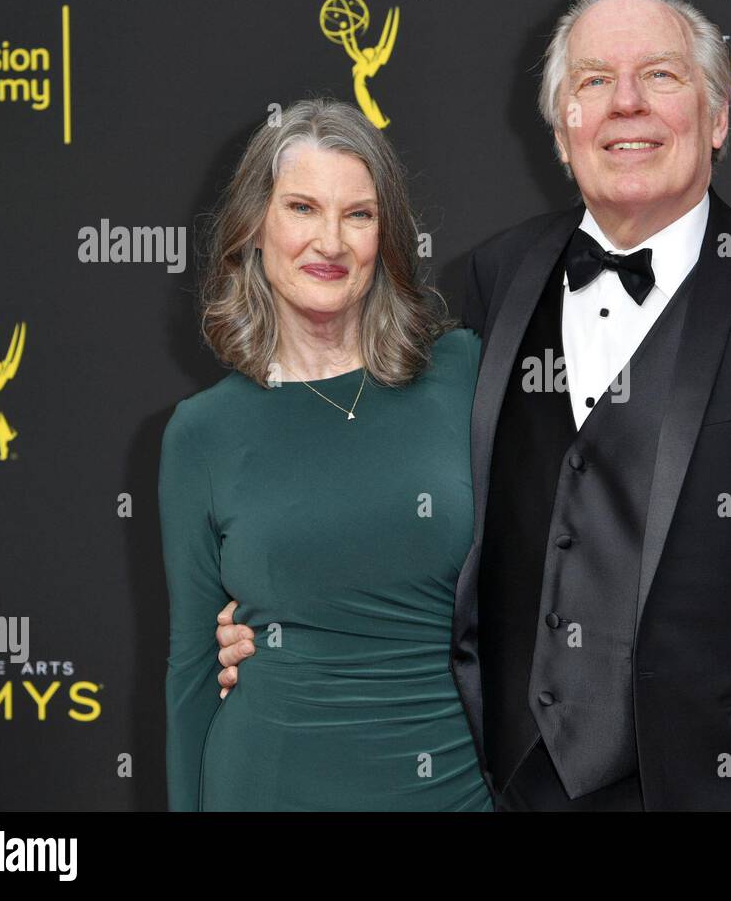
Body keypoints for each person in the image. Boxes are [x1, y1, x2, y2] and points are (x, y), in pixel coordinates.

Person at [219, 0, 731, 810]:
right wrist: (280, 610)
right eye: (594, 81)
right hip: (507, 789)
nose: (625, 104)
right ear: (564, 131)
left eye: (660, 76)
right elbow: (399, 502)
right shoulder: (492, 282)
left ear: (719, 117)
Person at [159, 98, 491, 811]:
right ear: (254, 228)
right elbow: (192, 673)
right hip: (268, 785)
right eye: (303, 208)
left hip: (451, 790)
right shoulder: (202, 433)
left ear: (387, 235)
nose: (330, 242)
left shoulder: (463, 373)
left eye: (359, 214)